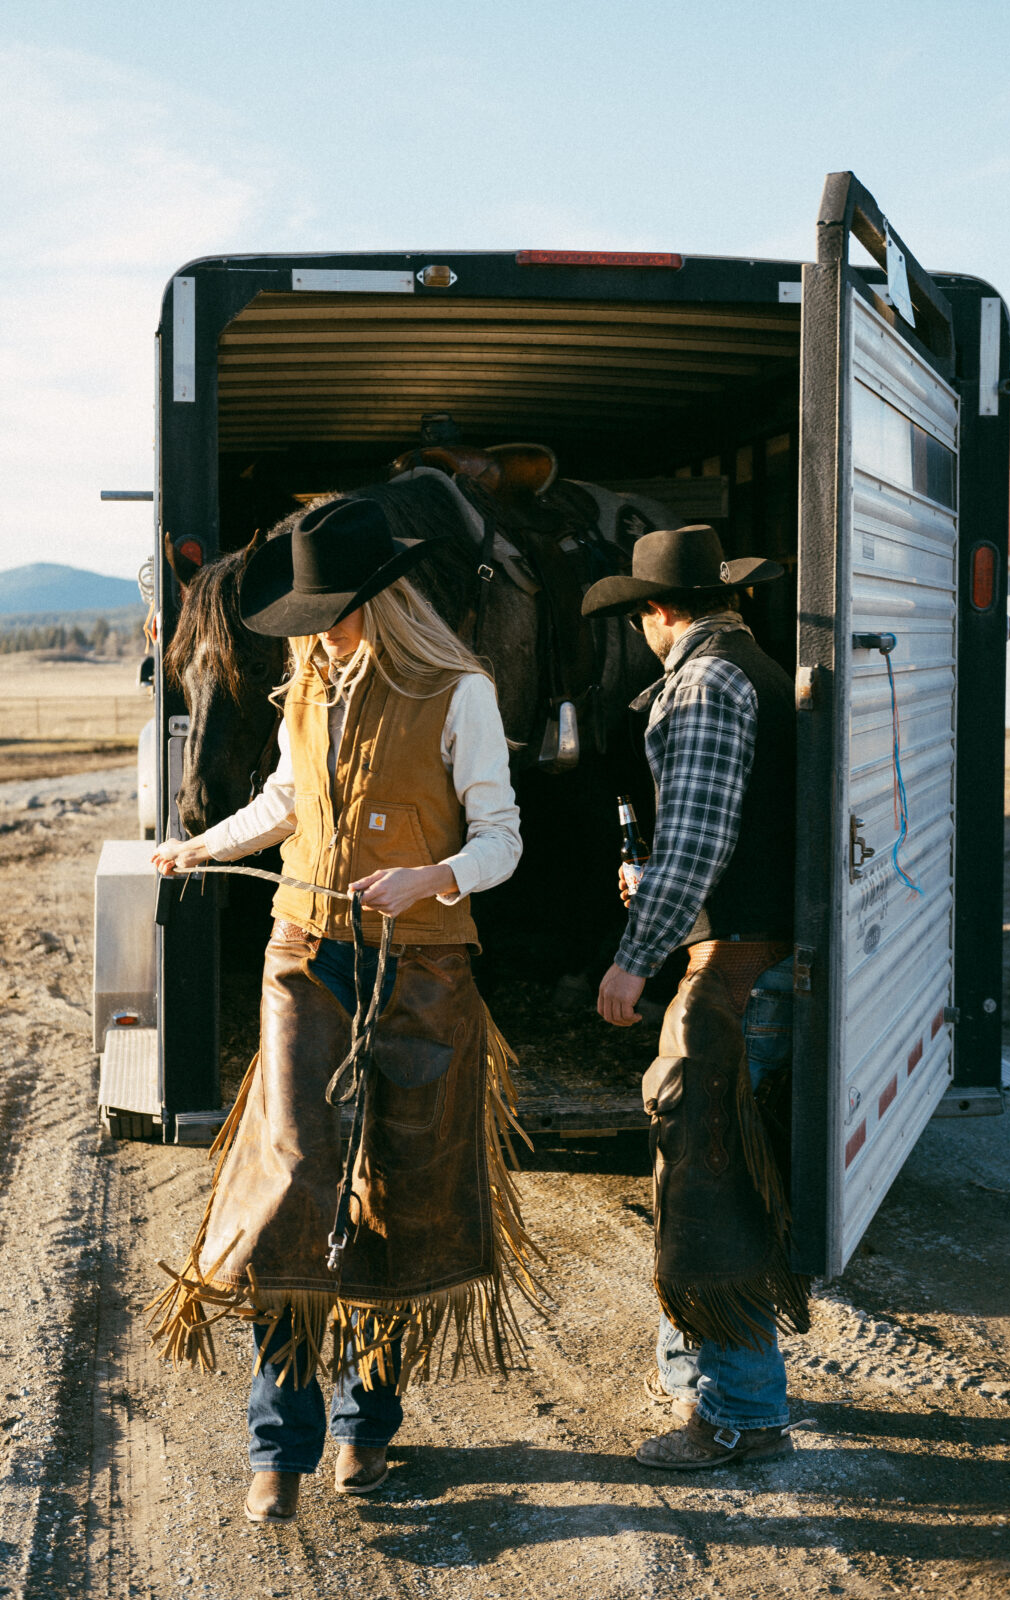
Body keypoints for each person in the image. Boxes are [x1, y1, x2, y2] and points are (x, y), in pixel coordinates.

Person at [150, 497, 538, 1523]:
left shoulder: (461, 693)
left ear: (380, 601)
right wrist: (201, 846)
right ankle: (277, 1442)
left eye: (331, 611)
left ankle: (367, 1426)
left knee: (393, 1192)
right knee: (291, 1180)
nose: (316, 631)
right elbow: (284, 803)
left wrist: (433, 877)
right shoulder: (307, 686)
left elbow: (503, 841)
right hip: (303, 956)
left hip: (421, 970)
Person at [581, 523, 809, 1472]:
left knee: (712, 1189)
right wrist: (670, 889)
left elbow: (701, 842)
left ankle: (738, 1415)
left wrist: (634, 954)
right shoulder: (749, 664)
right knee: (714, 1178)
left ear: (652, 611)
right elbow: (716, 838)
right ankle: (703, 1378)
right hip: (745, 959)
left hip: (731, 975)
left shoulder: (705, 684)